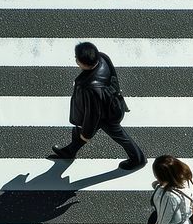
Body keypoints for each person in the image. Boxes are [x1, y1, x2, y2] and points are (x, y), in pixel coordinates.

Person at [52, 42, 147, 170]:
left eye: (77, 58)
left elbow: (93, 115)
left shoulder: (91, 87)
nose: (75, 60)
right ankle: (70, 151)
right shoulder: (102, 57)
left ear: (84, 63)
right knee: (87, 130)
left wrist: (86, 134)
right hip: (111, 103)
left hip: (106, 115)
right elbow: (113, 77)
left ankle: (138, 159)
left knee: (119, 135)